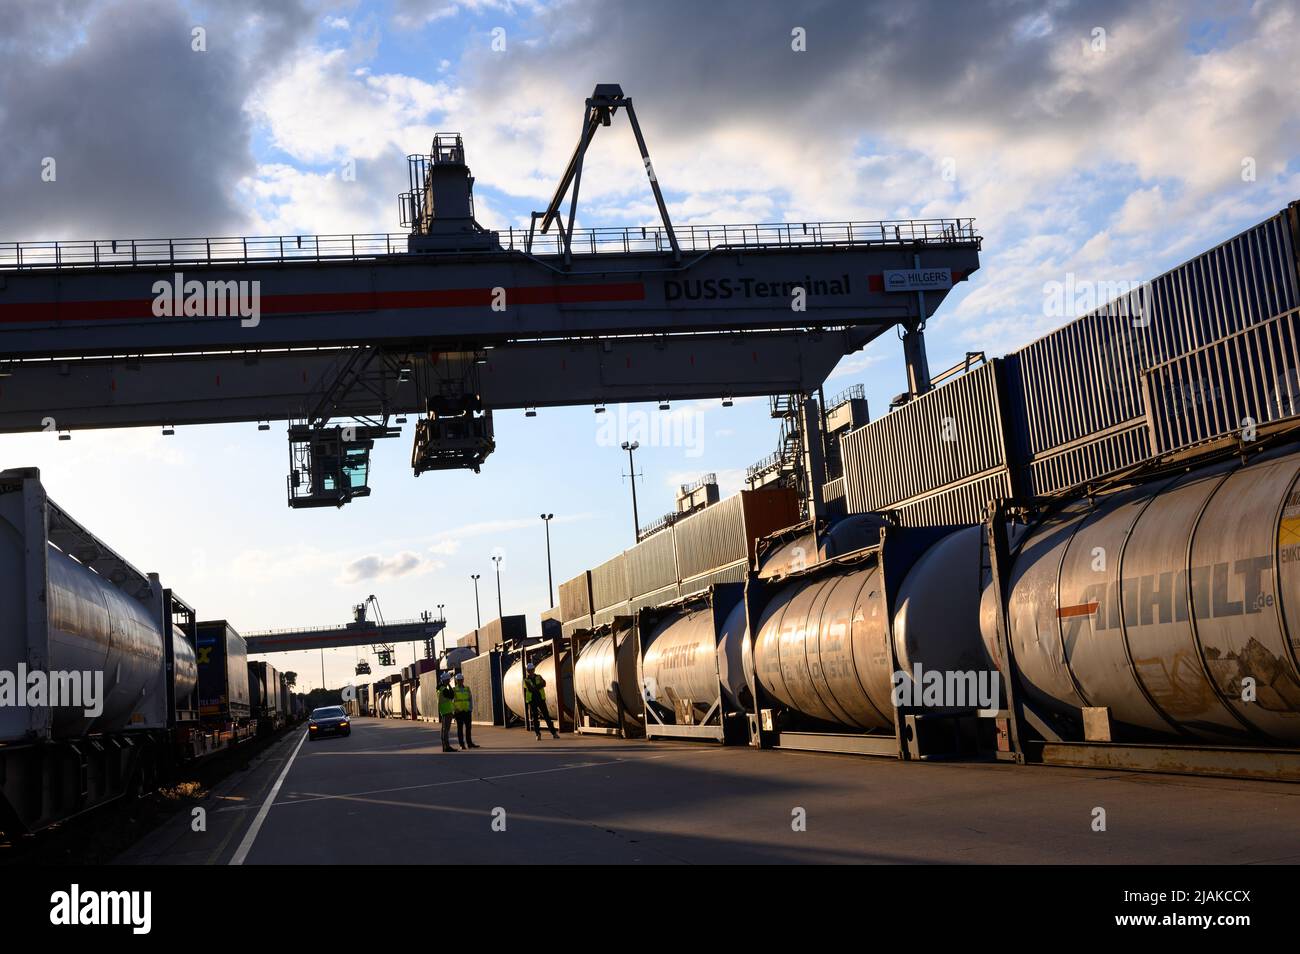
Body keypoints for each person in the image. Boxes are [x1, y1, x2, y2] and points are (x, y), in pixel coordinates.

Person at [523, 662, 559, 740]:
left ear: (534, 669)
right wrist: (538, 686)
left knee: (546, 716)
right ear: (527, 671)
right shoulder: (526, 680)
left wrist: (536, 687)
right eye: (529, 670)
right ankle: (538, 734)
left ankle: (554, 733)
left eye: (532, 669)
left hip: (540, 699)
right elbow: (530, 689)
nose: (531, 671)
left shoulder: (538, 677)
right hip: (532, 701)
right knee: (535, 718)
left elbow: (544, 683)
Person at [453, 673, 479, 749]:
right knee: (460, 729)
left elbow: (470, 699)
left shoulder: (467, 688)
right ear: (456, 681)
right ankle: (462, 745)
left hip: (467, 711)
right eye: (458, 680)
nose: (460, 681)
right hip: (459, 712)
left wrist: (470, 709)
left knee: (468, 728)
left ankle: (469, 743)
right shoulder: (454, 690)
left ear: (463, 680)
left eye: (461, 680)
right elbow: (452, 701)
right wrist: (454, 711)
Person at [438, 673, 458, 752]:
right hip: (447, 711)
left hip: (444, 711)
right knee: (446, 730)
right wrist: (449, 686)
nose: (449, 681)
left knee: (443, 730)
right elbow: (452, 695)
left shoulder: (440, 688)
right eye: (448, 680)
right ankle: (447, 746)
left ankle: (444, 746)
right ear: (445, 680)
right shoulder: (444, 689)